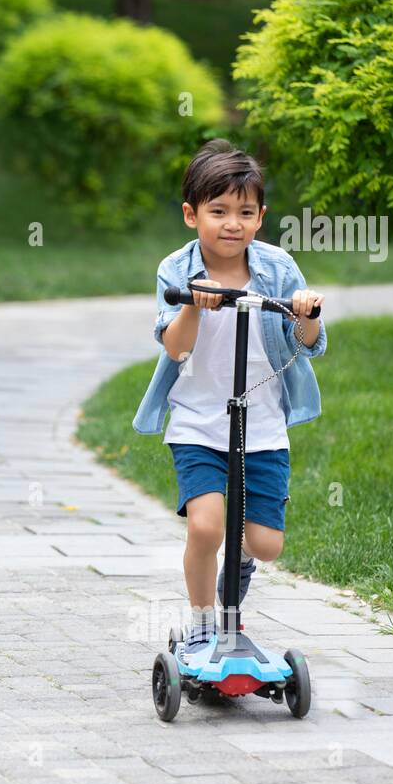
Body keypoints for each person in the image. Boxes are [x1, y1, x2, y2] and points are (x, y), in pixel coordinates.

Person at [132, 140, 326, 655]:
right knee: (205, 526)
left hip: (261, 425)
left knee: (266, 544)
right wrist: (194, 303)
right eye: (218, 211)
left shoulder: (278, 268)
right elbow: (173, 347)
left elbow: (307, 344)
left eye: (245, 212)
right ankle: (200, 620)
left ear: (261, 217)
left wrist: (306, 314)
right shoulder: (175, 270)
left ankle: (241, 560)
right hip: (198, 421)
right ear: (192, 215)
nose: (232, 224)